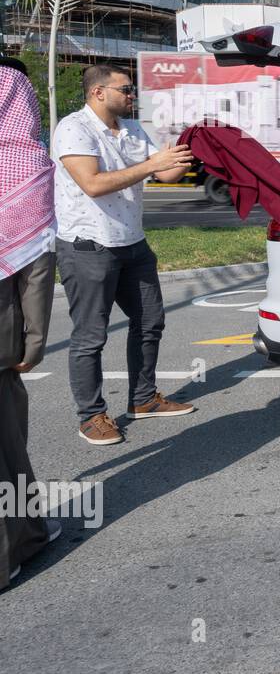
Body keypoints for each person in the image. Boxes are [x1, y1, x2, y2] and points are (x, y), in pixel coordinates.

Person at [52, 63, 197, 446]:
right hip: (89, 246)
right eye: (126, 89)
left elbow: (164, 176)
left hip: (132, 243)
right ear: (99, 92)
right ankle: (91, 415)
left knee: (151, 322)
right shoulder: (74, 129)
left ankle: (144, 399)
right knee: (90, 337)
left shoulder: (132, 129)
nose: (132, 96)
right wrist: (151, 164)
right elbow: (93, 184)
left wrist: (187, 152)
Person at [0, 56, 60, 588]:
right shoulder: (19, 164)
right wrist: (34, 341)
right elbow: (36, 266)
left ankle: (31, 535)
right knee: (7, 444)